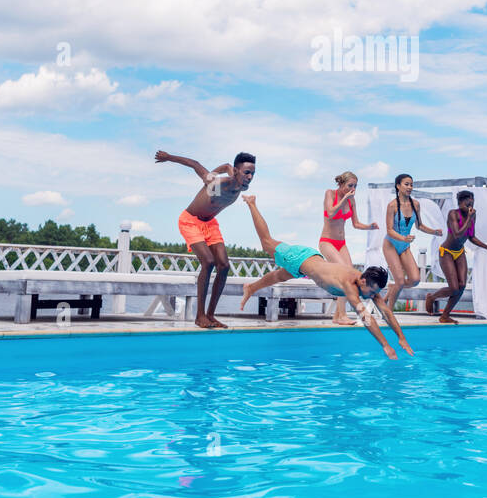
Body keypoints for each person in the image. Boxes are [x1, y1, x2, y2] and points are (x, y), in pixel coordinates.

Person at [239, 194, 413, 359]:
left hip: (310, 260)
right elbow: (365, 317)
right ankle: (252, 203)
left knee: (280, 276)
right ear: (363, 280)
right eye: (371, 291)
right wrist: (384, 345)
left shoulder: (368, 284)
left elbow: (386, 312)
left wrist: (401, 337)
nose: (371, 295)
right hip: (299, 259)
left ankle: (251, 287)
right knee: (267, 241)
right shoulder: (349, 285)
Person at [154, 148, 256, 329]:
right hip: (190, 221)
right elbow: (195, 164)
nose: (250, 177)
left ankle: (210, 315)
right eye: (247, 172)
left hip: (210, 224)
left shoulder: (239, 187)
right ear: (237, 170)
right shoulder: (215, 184)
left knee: (224, 265)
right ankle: (199, 315)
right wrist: (168, 157)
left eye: (252, 174)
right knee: (208, 262)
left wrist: (225, 167)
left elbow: (226, 165)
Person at [425, 189, 487, 324]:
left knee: (462, 285)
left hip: (459, 252)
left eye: (472, 203)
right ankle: (432, 297)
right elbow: (457, 234)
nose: (470, 206)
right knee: (453, 287)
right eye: (467, 203)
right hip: (446, 252)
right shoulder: (453, 214)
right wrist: (469, 218)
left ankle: (445, 315)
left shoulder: (473, 216)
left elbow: (471, 236)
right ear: (459, 203)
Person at [320, 171, 379, 326]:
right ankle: (342, 315)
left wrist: (369, 227)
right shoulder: (330, 194)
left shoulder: (351, 200)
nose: (353, 189)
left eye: (355, 186)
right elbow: (331, 213)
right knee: (344, 275)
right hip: (327, 242)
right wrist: (344, 199)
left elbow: (356, 223)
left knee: (350, 275)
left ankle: (338, 316)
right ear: (341, 184)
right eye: (350, 185)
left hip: (341, 243)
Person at [383, 172, 442, 311]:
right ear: (398, 186)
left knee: (415, 280)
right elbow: (389, 230)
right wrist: (403, 238)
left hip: (404, 246)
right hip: (391, 244)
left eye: (411, 184)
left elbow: (419, 225)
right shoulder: (392, 206)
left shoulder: (416, 204)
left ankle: (392, 287)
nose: (409, 187)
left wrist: (434, 231)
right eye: (406, 184)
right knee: (400, 280)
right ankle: (389, 311)